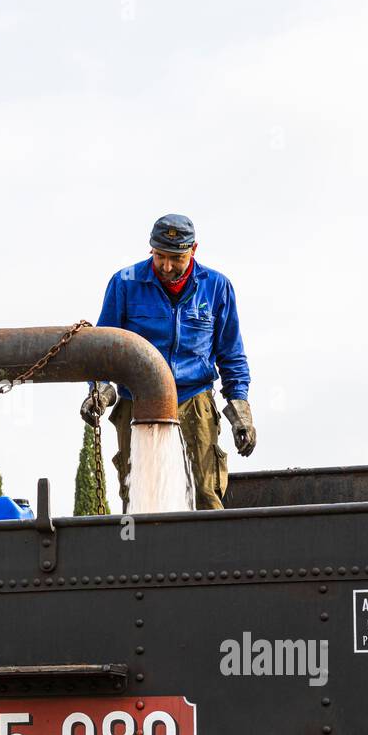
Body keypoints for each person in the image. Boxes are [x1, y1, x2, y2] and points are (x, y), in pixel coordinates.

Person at [81, 213, 256, 511]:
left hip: (194, 400)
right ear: (150, 248)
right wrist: (99, 390)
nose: (166, 266)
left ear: (194, 250)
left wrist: (241, 411)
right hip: (136, 400)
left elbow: (231, 354)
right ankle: (140, 543)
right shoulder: (124, 283)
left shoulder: (216, 287)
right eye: (160, 256)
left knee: (204, 493)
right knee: (139, 495)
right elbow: (102, 349)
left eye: (176, 258)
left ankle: (208, 542)